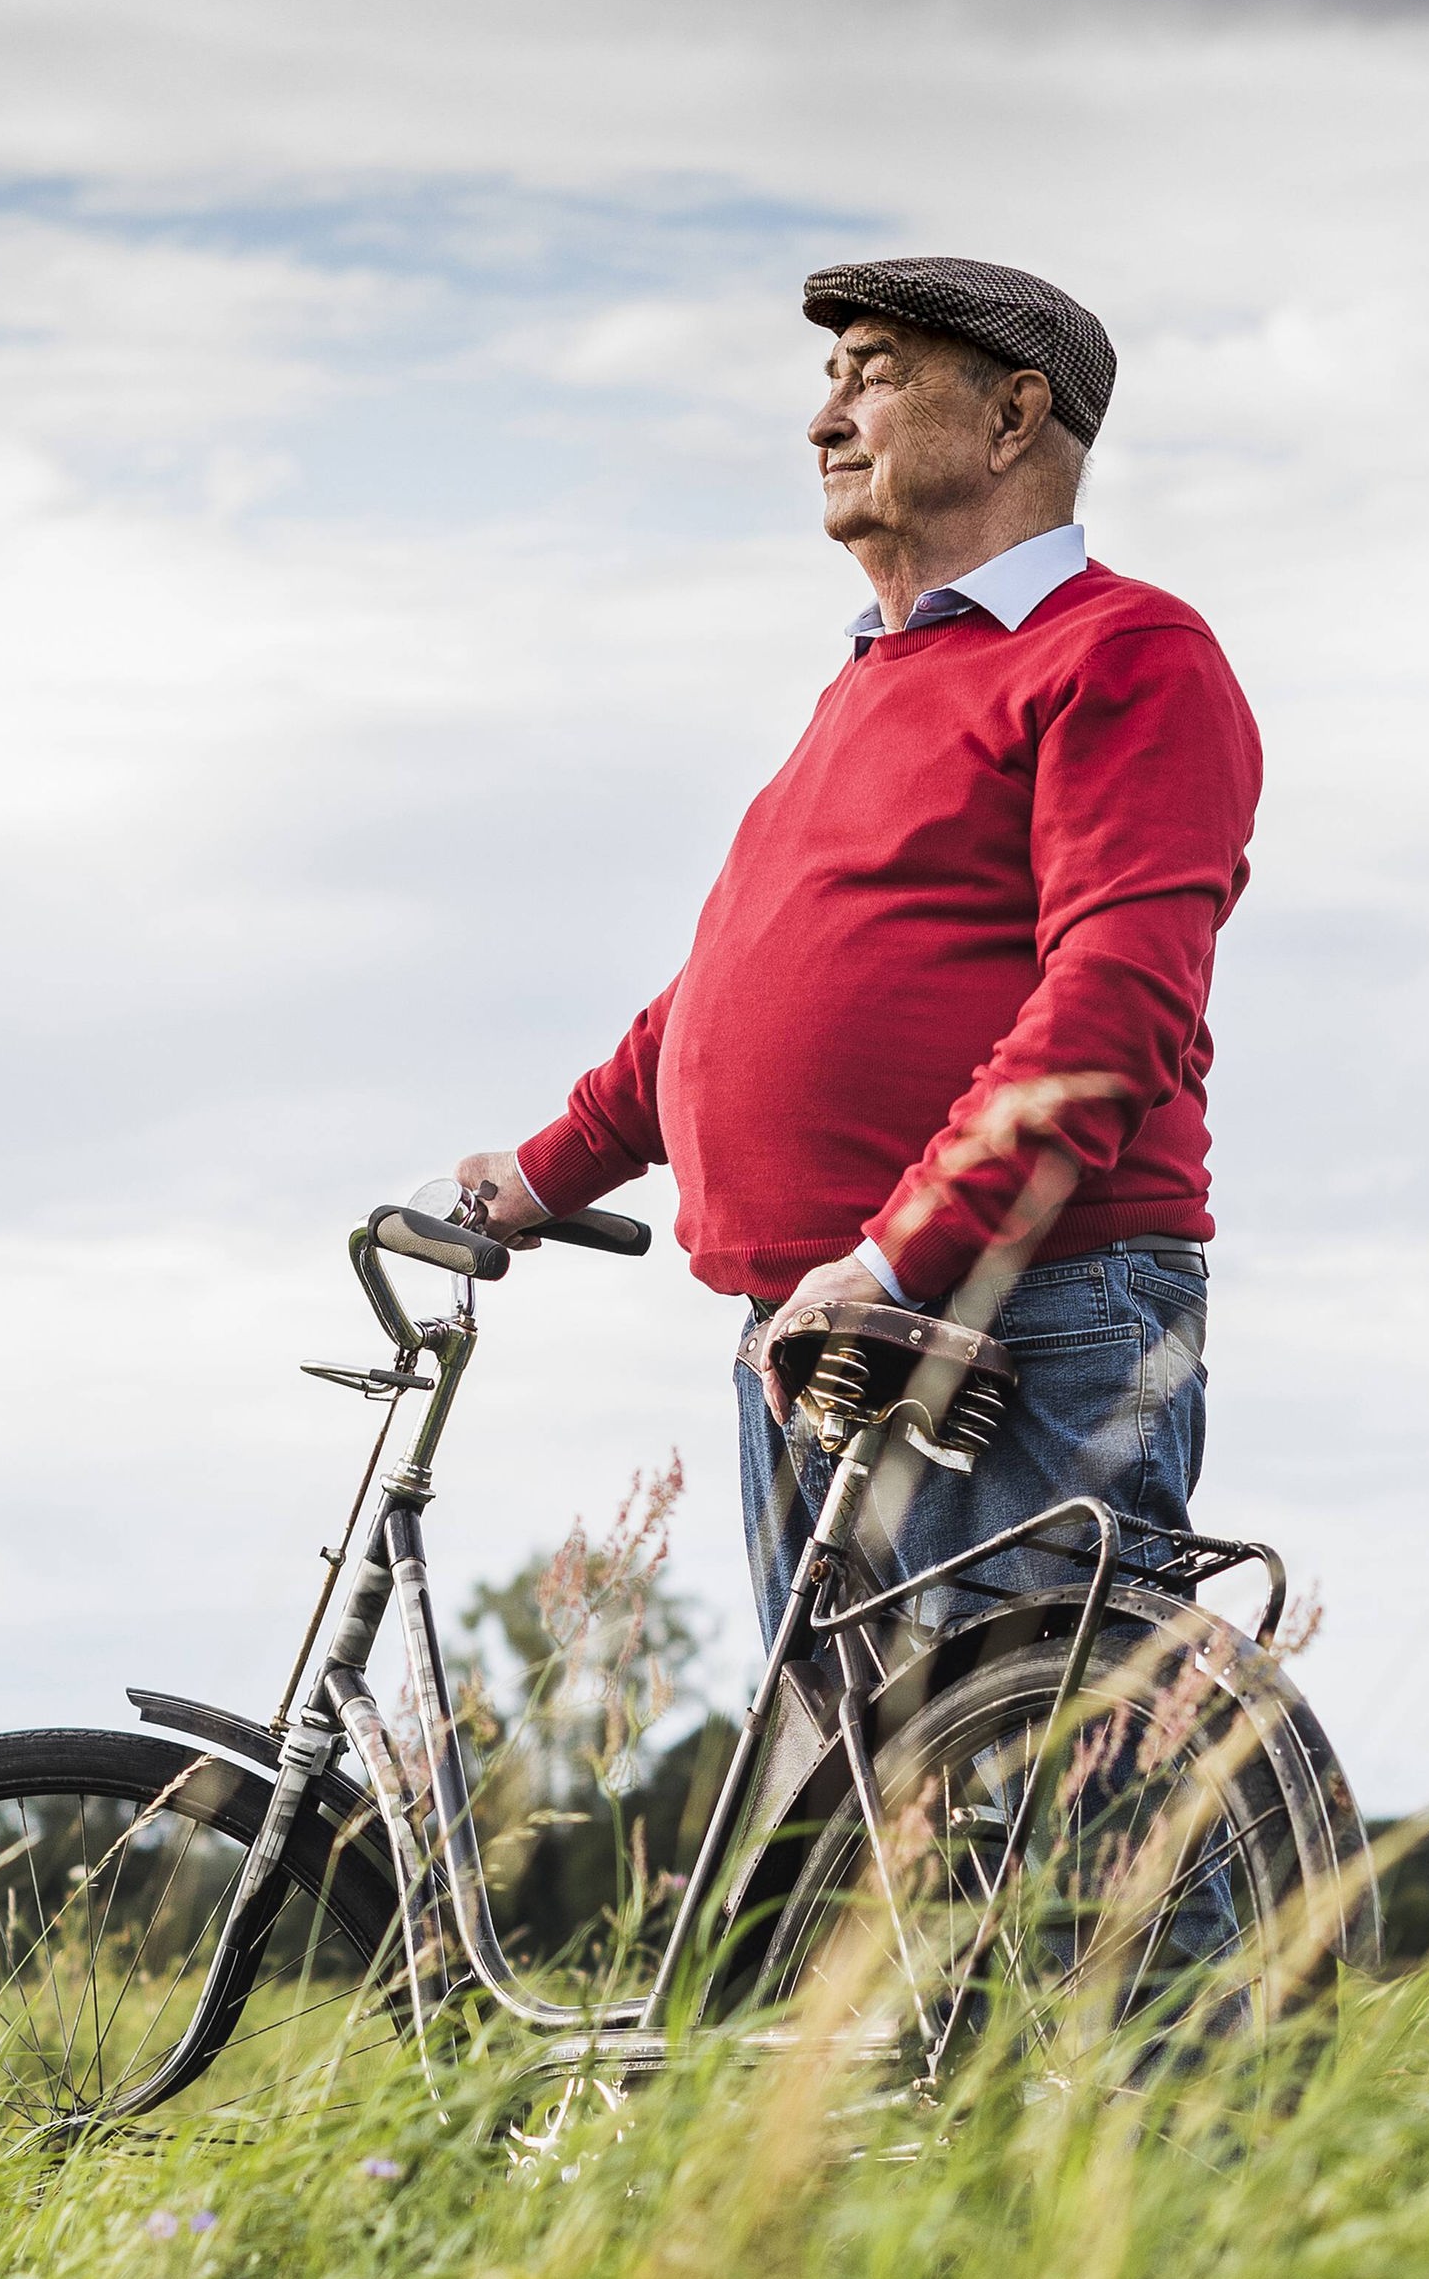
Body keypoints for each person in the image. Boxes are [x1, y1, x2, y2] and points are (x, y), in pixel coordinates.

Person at [452, 254, 1258, 1642]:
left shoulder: (1126, 653)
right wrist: (535, 1175)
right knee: (860, 1833)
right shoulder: (873, 679)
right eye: (829, 382)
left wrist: (891, 1261)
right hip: (820, 1334)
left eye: (874, 377)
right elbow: (722, 1001)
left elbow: (1111, 1014)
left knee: (1059, 1826)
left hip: (1019, 1320)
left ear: (1012, 420)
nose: (825, 421)